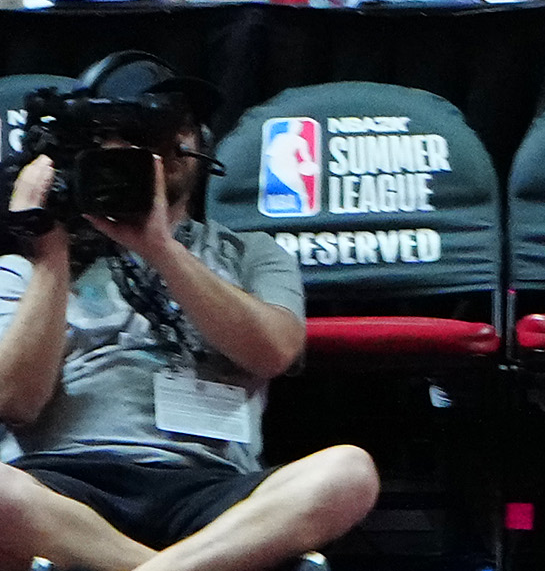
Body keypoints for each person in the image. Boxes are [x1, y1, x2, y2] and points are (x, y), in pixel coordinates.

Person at [0, 56, 378, 570]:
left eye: (178, 128)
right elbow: (16, 402)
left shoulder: (253, 254)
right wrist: (50, 258)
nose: (169, 145)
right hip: (66, 484)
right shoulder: (30, 260)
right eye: (137, 133)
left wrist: (159, 247)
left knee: (348, 472)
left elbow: (273, 353)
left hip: (212, 489)